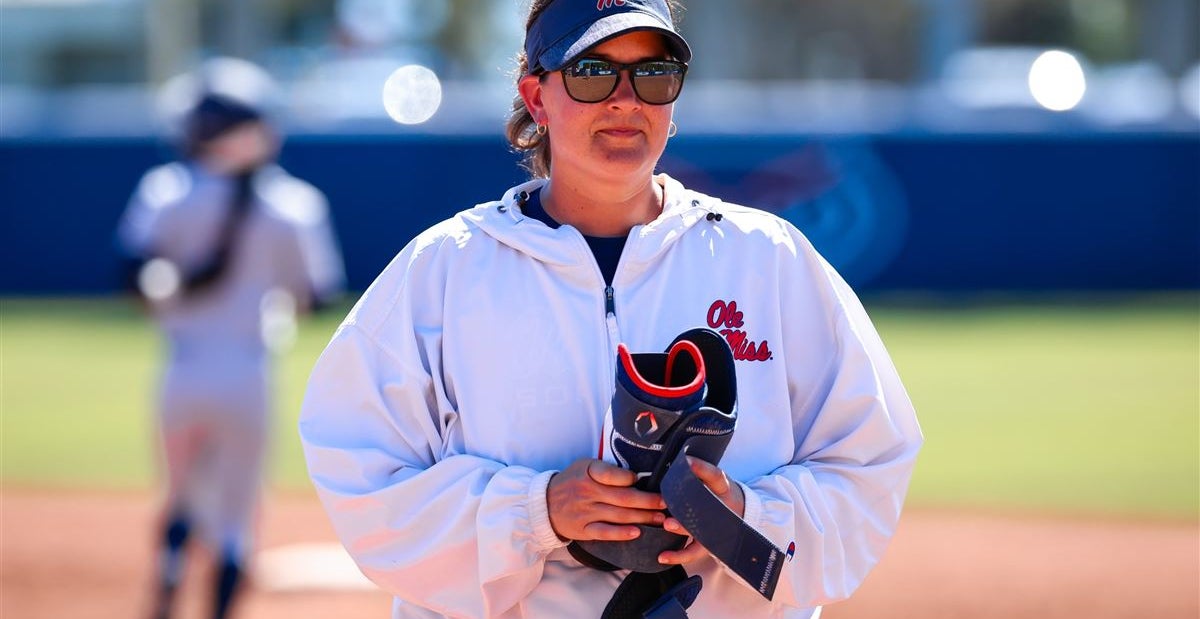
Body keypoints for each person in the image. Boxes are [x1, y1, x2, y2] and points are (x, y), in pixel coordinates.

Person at [299, 1, 922, 617]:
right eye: (592, 73)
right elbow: (363, 475)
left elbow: (868, 457)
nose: (627, 100)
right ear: (537, 98)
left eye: (654, 74)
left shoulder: (769, 257)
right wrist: (537, 511)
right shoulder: (444, 269)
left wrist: (742, 516)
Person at [116, 57, 346, 619]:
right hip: (249, 372)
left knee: (178, 497)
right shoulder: (293, 202)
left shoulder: (166, 189)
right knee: (237, 518)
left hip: (182, 369)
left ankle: (168, 587)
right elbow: (317, 295)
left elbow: (131, 276)